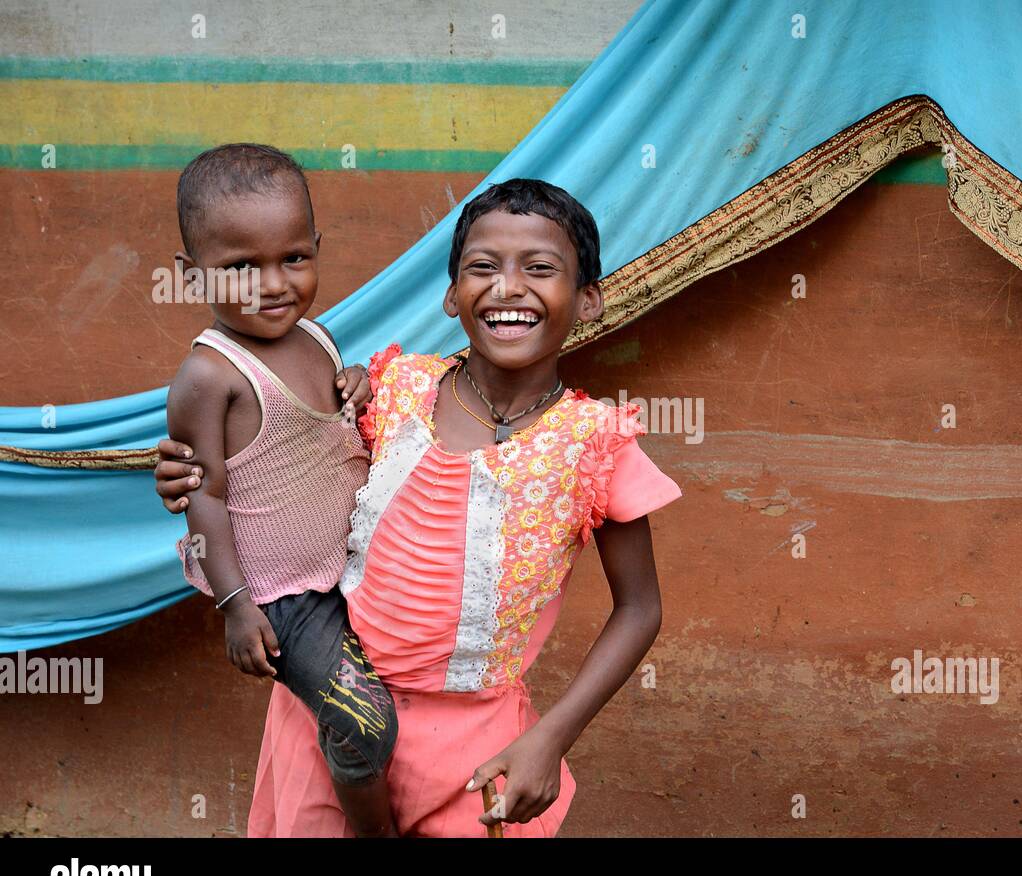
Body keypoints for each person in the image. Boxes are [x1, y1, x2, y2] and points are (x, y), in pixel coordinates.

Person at [156, 177, 681, 836]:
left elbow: (640, 608)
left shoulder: (596, 444)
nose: (508, 287)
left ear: (589, 299)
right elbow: (283, 455)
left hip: (475, 749)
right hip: (332, 713)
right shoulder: (396, 391)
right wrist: (186, 472)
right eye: (482, 267)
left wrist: (551, 739)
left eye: (540, 269)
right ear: (451, 295)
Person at [163, 142, 400, 837]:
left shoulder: (318, 338)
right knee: (364, 721)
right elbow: (201, 496)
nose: (273, 284)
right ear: (188, 275)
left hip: (356, 571)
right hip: (283, 594)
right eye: (240, 267)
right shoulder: (210, 376)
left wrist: (355, 381)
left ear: (316, 247)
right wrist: (237, 606)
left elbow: (331, 427)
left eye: (293, 258)